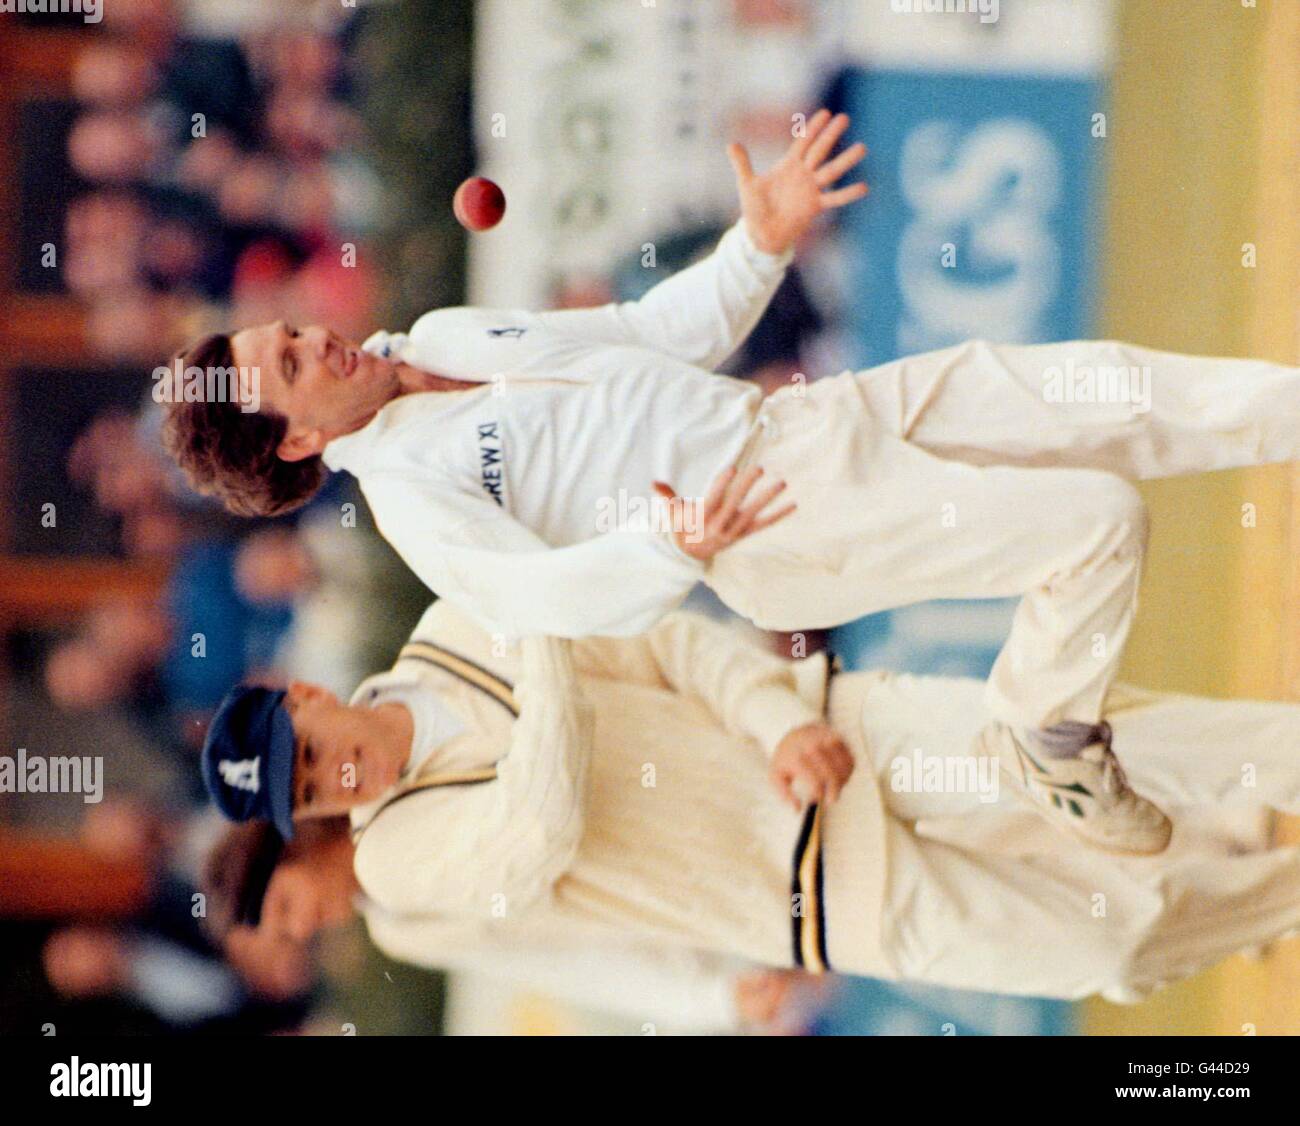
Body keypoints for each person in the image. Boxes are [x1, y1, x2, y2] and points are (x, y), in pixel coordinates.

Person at [164, 107, 1300, 854]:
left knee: (1103, 389)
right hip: (777, 527)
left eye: (291, 332)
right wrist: (669, 550)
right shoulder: (412, 498)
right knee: (1095, 521)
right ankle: (1042, 733)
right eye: (290, 368)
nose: (315, 341)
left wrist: (758, 242)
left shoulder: (445, 328)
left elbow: (654, 333)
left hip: (803, 421)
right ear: (300, 444)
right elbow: (535, 603)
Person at [201, 601, 1300, 1001]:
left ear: (304, 693)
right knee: (1110, 949)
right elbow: (541, 823)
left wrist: (780, 724)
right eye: (308, 795)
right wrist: (538, 617)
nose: (332, 778)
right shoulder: (396, 861)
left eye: (310, 753)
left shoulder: (455, 625)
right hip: (814, 895)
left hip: (839, 733)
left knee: (1095, 747)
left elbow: (673, 645)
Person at [202, 818, 808, 1033]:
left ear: (297, 845)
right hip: (693, 912)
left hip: (690, 819)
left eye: (286, 907)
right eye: (287, 932)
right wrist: (714, 999)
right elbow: (562, 964)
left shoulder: (388, 795)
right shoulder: (399, 929)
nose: (303, 927)